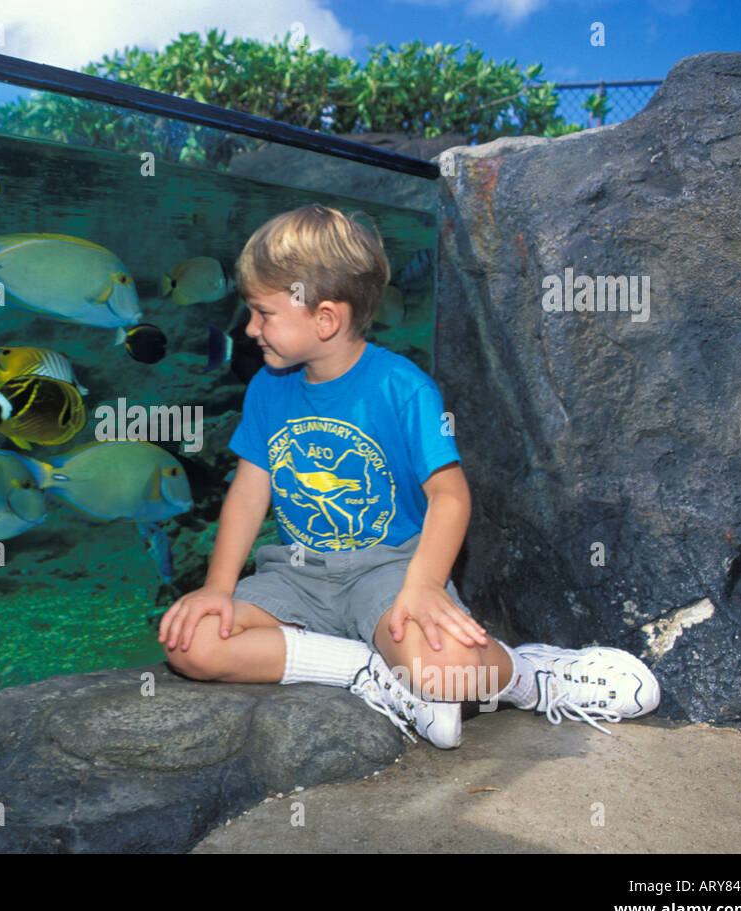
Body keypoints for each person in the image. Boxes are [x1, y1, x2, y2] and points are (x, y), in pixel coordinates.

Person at [158, 205, 659, 748]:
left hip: (390, 573)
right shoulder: (266, 390)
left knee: (440, 670)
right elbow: (249, 493)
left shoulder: (403, 388)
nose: (251, 329)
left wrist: (422, 585)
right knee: (193, 644)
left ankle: (530, 677)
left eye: (262, 314)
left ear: (325, 318)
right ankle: (364, 671)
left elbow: (449, 496)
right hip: (298, 577)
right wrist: (217, 587)